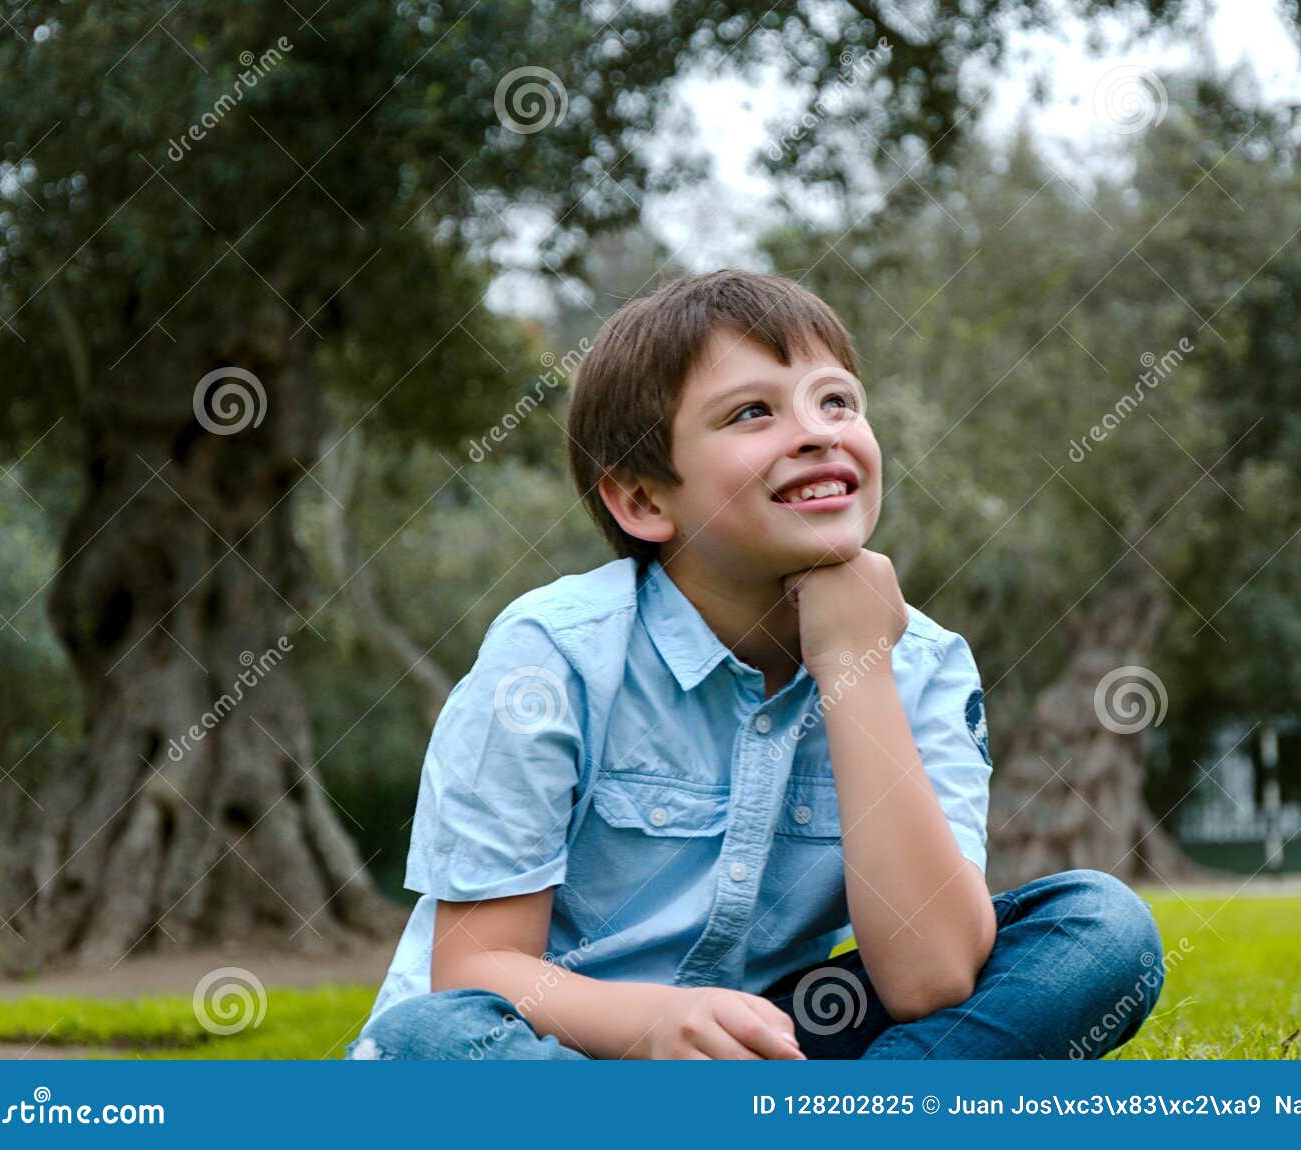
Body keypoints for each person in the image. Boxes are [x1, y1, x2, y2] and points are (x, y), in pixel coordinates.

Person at [349, 270, 1164, 1060]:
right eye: (752, 412)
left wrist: (854, 668)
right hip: (553, 1047)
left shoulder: (924, 664)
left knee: (1101, 930)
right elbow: (477, 970)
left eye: (836, 401)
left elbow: (932, 978)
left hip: (768, 1046)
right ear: (643, 501)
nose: (818, 432)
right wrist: (657, 1024)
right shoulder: (555, 654)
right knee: (423, 1042)